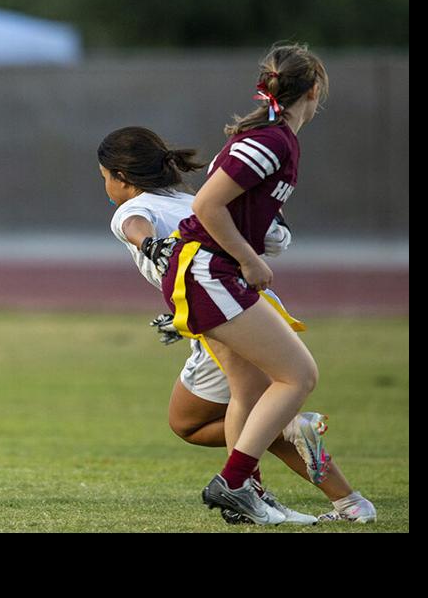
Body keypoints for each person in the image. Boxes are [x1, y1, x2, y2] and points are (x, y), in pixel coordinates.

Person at [99, 126, 376, 524]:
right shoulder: (196, 202)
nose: (106, 187)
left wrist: (149, 244)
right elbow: (274, 241)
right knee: (203, 420)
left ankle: (275, 479)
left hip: (226, 314)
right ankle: (347, 501)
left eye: (105, 177)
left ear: (122, 177)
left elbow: (134, 223)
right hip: (252, 309)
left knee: (231, 417)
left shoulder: (132, 207)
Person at [156, 43, 341, 525]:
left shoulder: (274, 138)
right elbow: (206, 205)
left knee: (249, 389)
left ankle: (249, 494)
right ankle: (235, 482)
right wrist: (248, 257)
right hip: (209, 269)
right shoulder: (271, 141)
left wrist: (260, 234)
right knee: (299, 376)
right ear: (314, 90)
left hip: (210, 268)